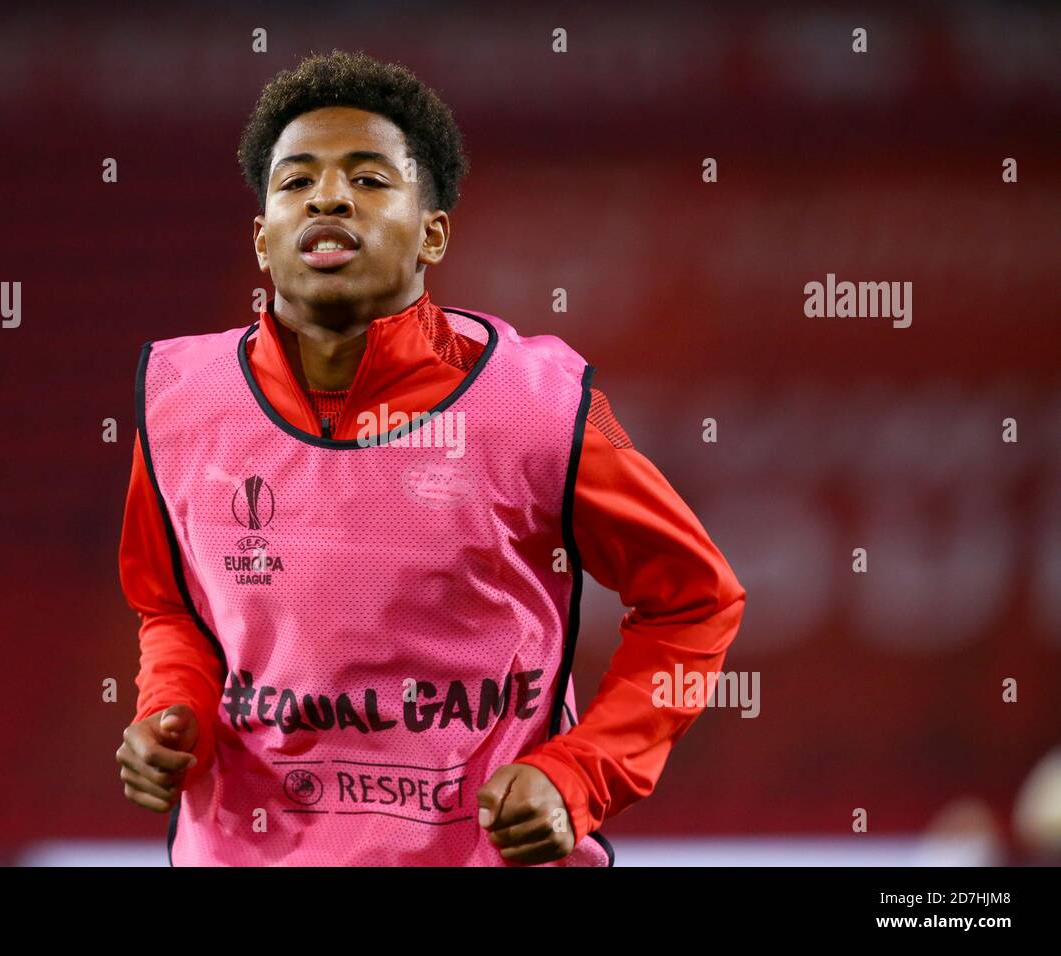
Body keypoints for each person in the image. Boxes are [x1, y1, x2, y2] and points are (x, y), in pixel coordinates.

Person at [116, 50, 745, 866]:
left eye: (371, 180)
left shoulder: (534, 406)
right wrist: (176, 711)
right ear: (263, 239)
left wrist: (578, 776)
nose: (330, 196)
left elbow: (696, 603)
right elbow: (173, 609)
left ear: (432, 232)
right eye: (296, 181)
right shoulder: (183, 400)